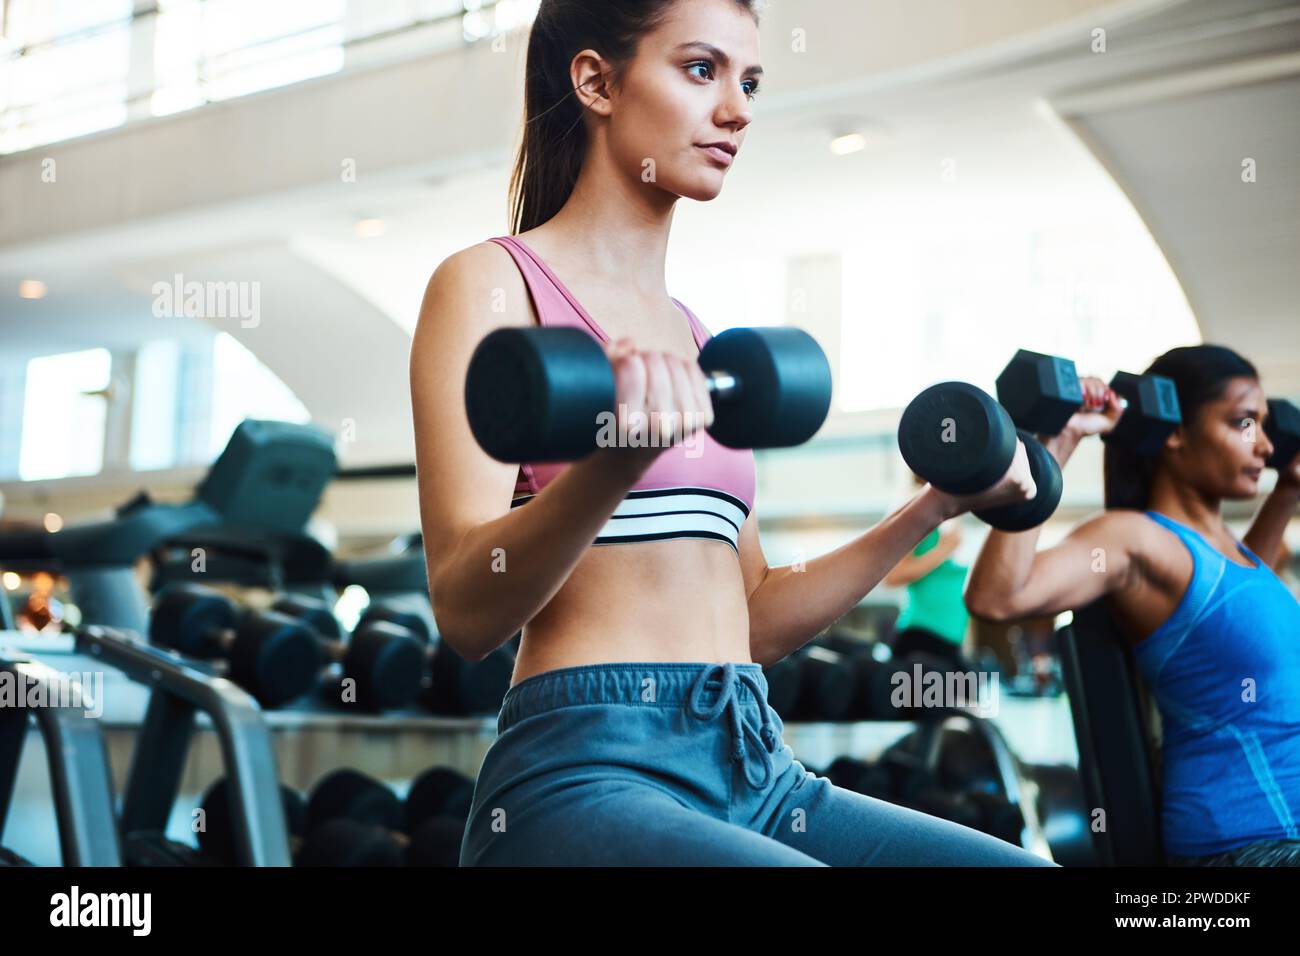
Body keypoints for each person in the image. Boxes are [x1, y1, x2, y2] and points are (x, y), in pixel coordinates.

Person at [411, 0, 1050, 866]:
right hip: (587, 769)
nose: (739, 108)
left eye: (749, 81)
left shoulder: (700, 339)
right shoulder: (492, 287)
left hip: (758, 760)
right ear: (596, 80)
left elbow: (751, 620)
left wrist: (933, 508)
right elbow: (463, 607)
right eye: (702, 69)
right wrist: (614, 463)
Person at [965, 345, 1300, 866]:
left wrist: (1288, 493)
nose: (1264, 445)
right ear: (1175, 432)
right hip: (1253, 843)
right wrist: (1058, 441)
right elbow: (997, 595)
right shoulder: (1137, 541)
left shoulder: (1235, 555)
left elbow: (1240, 600)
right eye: (1243, 423)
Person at [883, 475, 970, 666]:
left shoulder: (952, 517)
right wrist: (944, 549)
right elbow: (892, 575)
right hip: (921, 638)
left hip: (950, 642)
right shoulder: (915, 511)